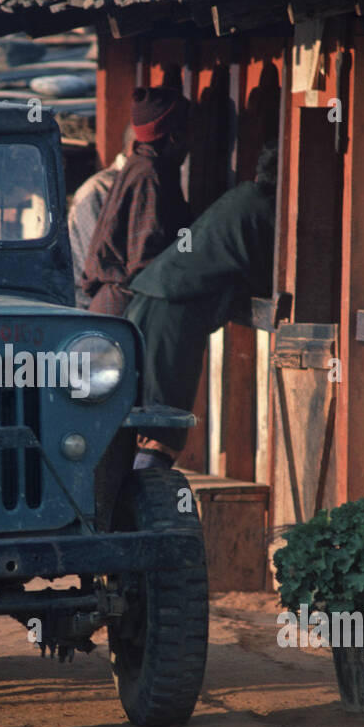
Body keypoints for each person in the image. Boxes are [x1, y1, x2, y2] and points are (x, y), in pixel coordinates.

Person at [125, 147, 277, 470]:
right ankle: (140, 508)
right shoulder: (264, 209)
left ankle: (123, 507)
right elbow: (267, 275)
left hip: (147, 301)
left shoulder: (242, 197)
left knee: (140, 419)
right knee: (162, 426)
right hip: (172, 312)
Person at [79, 75, 191, 317]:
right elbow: (144, 258)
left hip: (118, 301)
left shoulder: (138, 165)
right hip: (126, 304)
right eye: (189, 133)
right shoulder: (150, 174)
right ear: (174, 136)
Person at [68, 125, 134, 308]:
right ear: (136, 147)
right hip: (93, 308)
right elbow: (101, 269)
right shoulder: (100, 190)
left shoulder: (140, 185)